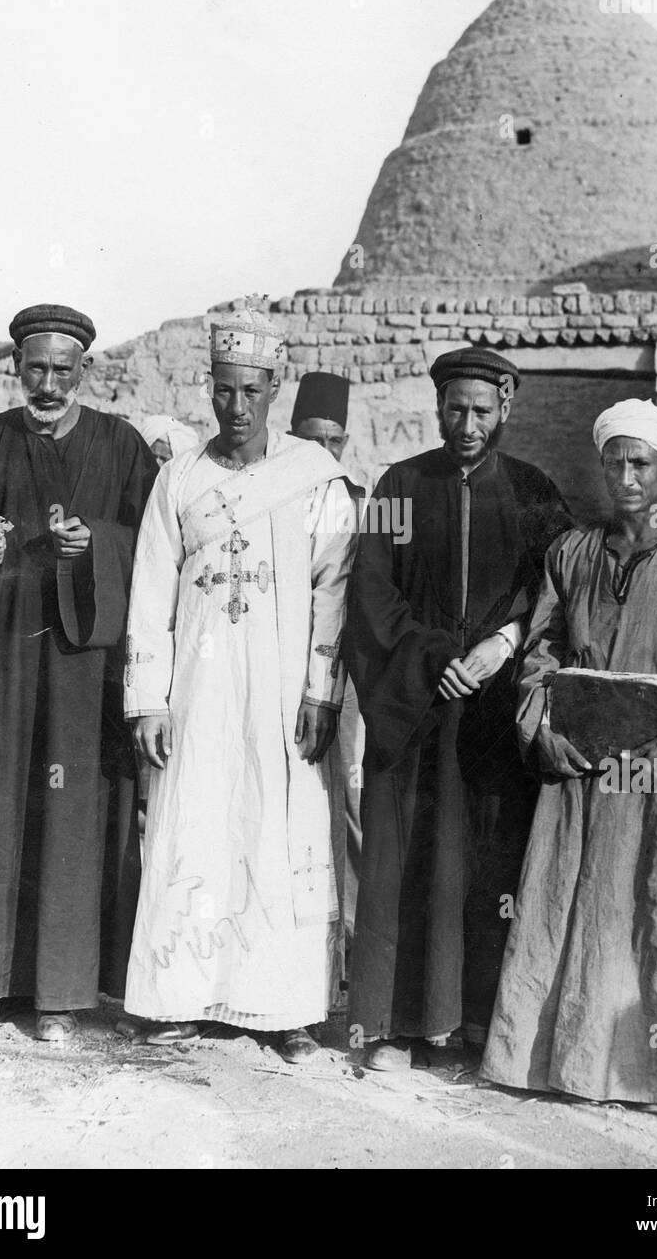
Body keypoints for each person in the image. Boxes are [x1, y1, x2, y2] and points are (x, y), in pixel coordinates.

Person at [0, 304, 157, 1041]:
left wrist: (98, 548)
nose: (48, 384)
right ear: (18, 368)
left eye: (62, 370)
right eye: (36, 369)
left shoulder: (121, 445)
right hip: (5, 663)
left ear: (85, 371)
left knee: (72, 818)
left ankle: (61, 996)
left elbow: (158, 545)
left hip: (84, 670)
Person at [481, 398, 657, 1113]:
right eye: (614, 462)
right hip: (582, 765)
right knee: (580, 908)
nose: (626, 476)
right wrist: (549, 725)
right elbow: (540, 652)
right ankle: (565, 1059)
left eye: (641, 464)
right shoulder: (570, 554)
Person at [122, 307, 355, 1063]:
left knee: (277, 825)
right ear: (209, 387)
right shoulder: (177, 478)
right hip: (198, 690)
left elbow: (334, 589)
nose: (237, 407)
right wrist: (148, 700)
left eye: (251, 389)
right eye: (224, 390)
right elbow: (150, 591)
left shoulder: (313, 476)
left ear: (274, 385)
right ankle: (181, 996)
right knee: (198, 821)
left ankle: (283, 1006)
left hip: (284, 689)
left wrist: (321, 691)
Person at [343, 346, 573, 1071]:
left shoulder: (536, 492)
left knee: (484, 865)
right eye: (453, 409)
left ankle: (473, 1029)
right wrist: (435, 656)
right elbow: (371, 591)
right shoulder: (399, 484)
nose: (466, 425)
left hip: (492, 715)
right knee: (405, 860)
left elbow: (553, 590)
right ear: (436, 406)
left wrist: (505, 642)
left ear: (505, 407)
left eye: (480, 410)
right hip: (417, 703)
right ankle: (393, 1026)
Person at [290, 372, 365, 948]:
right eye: (311, 439)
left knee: (349, 800)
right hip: (276, 668)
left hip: (344, 676)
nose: (322, 452)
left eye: (333, 441)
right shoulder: (269, 494)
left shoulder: (361, 502)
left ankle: (354, 947)